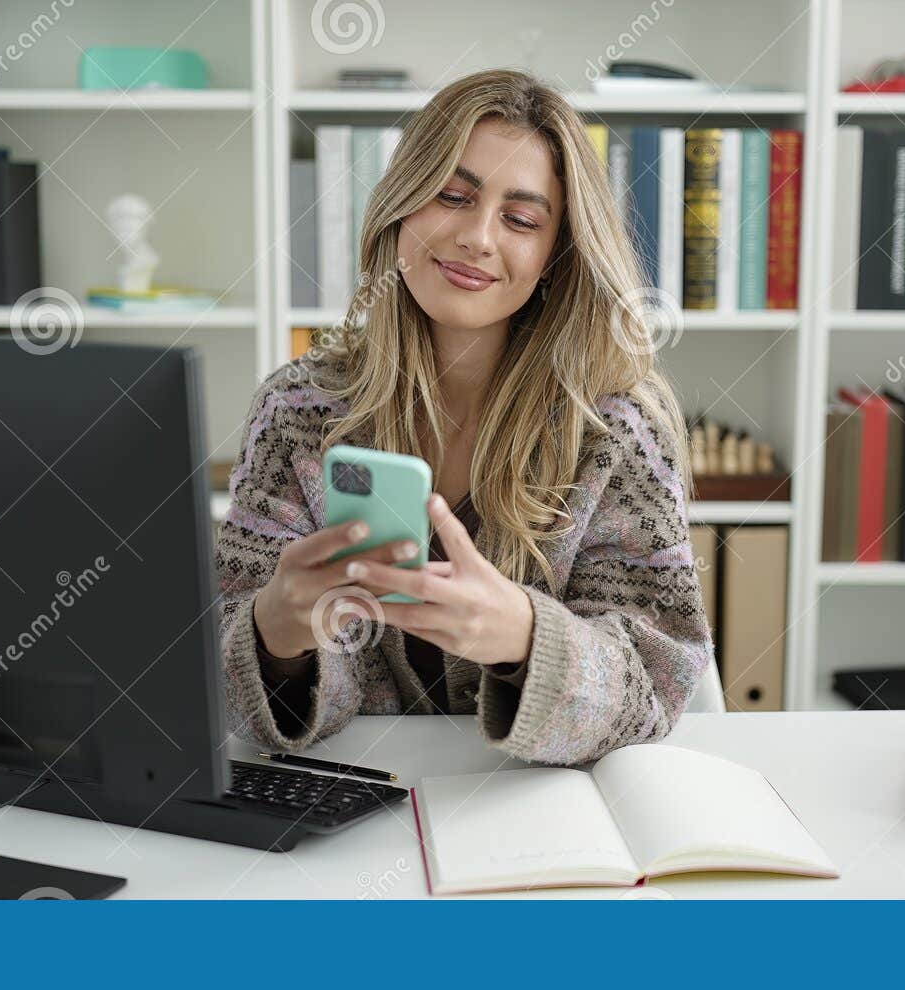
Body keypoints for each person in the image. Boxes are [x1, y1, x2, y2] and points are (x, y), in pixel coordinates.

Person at [215, 68, 713, 766]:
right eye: (453, 196)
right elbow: (220, 681)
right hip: (351, 802)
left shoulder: (615, 431)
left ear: (554, 259)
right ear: (402, 208)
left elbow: (656, 686)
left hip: (535, 816)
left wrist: (523, 636)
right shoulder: (297, 411)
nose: (478, 237)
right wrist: (275, 631)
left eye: (521, 219)